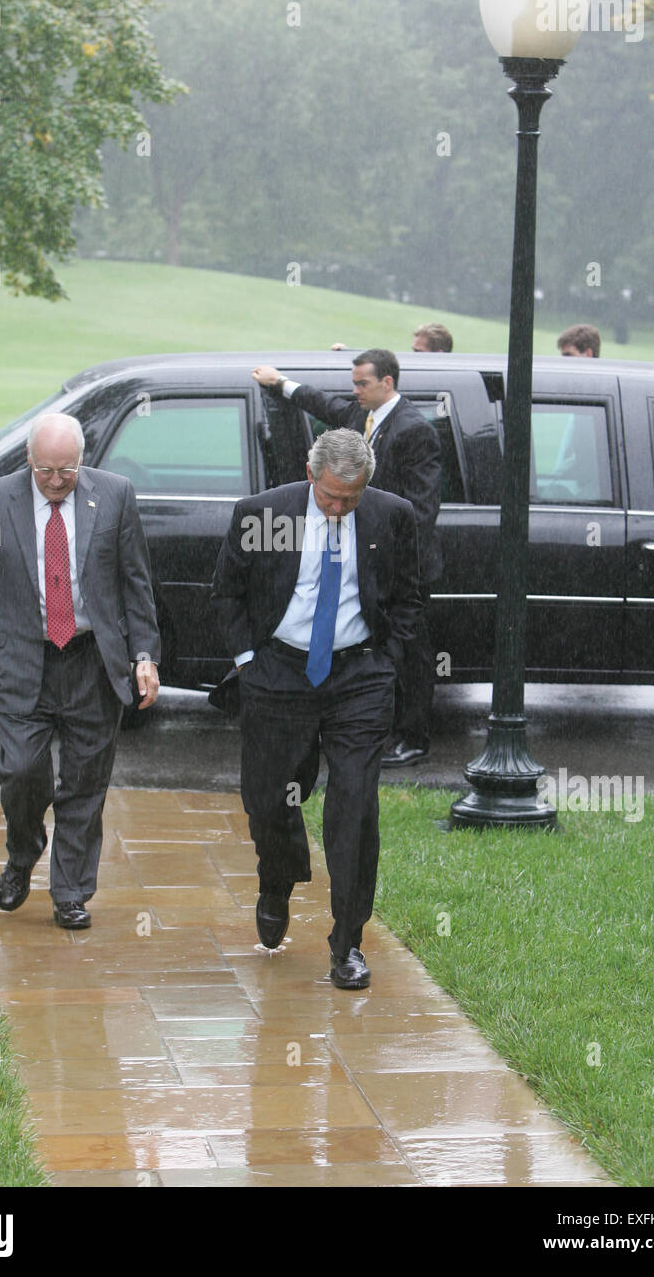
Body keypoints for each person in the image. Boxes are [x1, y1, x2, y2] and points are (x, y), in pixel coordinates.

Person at [212, 428, 420, 989]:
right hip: (278, 670)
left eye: (350, 499)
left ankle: (347, 942)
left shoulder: (391, 517)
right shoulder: (263, 513)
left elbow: (409, 597)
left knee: (354, 806)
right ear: (311, 474)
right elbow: (226, 592)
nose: (338, 507)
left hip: (359, 677)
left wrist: (388, 661)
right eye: (329, 496)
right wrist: (249, 660)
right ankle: (276, 878)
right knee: (269, 797)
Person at [0, 412, 160, 930]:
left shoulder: (114, 495)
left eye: (67, 469)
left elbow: (136, 584)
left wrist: (145, 655)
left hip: (93, 661)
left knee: (85, 783)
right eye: (47, 471)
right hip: (21, 661)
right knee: (20, 772)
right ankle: (24, 851)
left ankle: (70, 892)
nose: (58, 480)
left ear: (81, 461)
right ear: (28, 460)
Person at [252, 349, 442, 766]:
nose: (354, 391)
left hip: (401, 566)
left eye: (362, 384)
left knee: (411, 651)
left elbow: (422, 511)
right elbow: (325, 405)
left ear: (387, 383)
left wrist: (384, 555)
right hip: (372, 560)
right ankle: (381, 725)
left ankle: (414, 736)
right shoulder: (364, 418)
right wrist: (281, 383)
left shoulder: (414, 430)